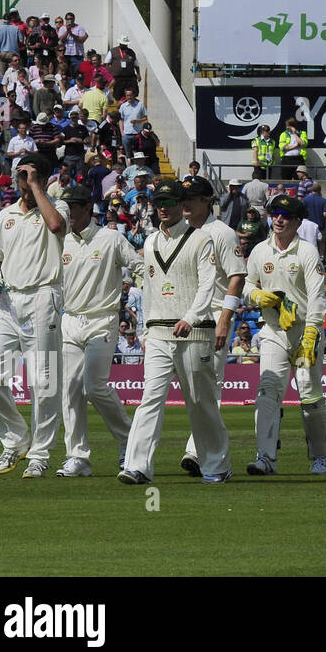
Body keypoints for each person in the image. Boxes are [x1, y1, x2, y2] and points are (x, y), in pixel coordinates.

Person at [118, 180, 232, 485]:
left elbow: (208, 284)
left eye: (169, 202)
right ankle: (137, 466)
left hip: (194, 332)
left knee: (199, 401)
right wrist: (145, 330)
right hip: (158, 332)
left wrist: (191, 317)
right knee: (150, 398)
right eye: (159, 203)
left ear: (181, 205)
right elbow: (150, 290)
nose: (163, 208)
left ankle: (216, 465)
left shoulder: (201, 239)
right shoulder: (151, 242)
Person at [0, 153, 70, 477]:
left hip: (44, 296)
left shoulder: (58, 208)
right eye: (20, 176)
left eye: (28, 176)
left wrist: (36, 185)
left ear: (43, 178)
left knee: (44, 381)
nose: (22, 182)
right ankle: (15, 440)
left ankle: (40, 454)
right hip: (7, 302)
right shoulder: (5, 215)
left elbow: (56, 226)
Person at [56, 183, 142, 477]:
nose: (65, 215)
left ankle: (129, 440)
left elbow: (140, 266)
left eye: (69, 209)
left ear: (84, 209)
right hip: (70, 320)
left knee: (94, 386)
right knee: (70, 389)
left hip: (102, 320)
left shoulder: (110, 239)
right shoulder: (61, 241)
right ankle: (77, 457)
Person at [244, 194, 326, 476]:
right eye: (275, 213)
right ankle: (266, 458)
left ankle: (321, 457)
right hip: (273, 331)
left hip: (305, 331)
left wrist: (310, 334)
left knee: (309, 395)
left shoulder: (307, 252)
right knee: (267, 392)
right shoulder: (259, 251)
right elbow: (245, 285)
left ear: (297, 221)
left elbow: (318, 297)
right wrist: (257, 294)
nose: (278, 219)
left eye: (285, 215)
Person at [179, 176, 247, 478]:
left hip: (213, 316)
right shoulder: (179, 232)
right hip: (181, 317)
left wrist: (225, 321)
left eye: (192, 197)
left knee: (207, 386)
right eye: (184, 197)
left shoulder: (223, 233)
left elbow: (236, 277)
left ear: (207, 200)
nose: (186, 203)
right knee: (191, 390)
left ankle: (198, 452)